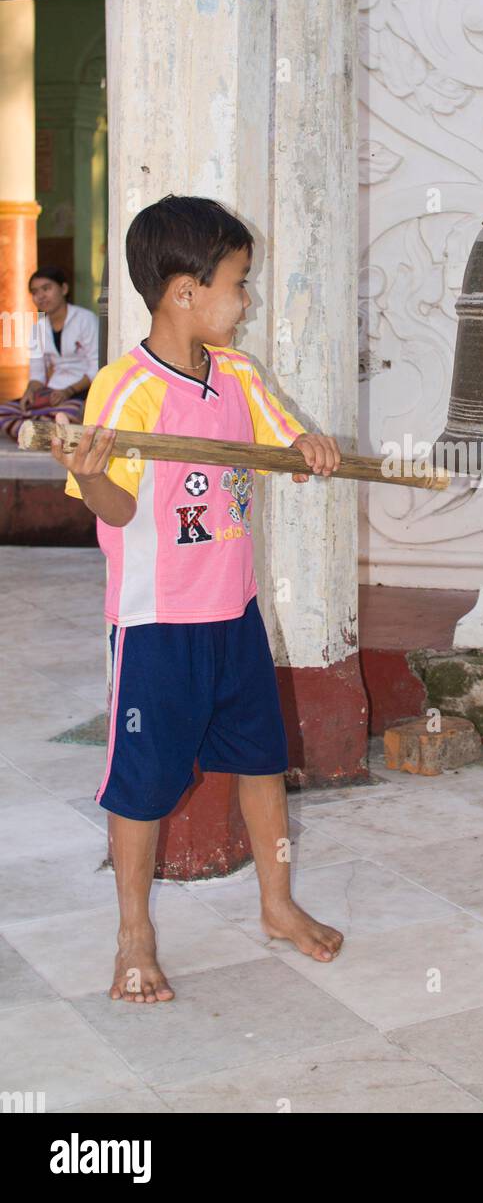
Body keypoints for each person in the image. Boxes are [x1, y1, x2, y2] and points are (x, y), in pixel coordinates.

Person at [53, 194, 344, 1005]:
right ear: (186, 291)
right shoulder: (125, 390)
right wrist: (86, 469)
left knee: (258, 764)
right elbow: (111, 511)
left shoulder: (241, 375)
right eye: (237, 283)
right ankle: (134, 935)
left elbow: (286, 440)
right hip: (156, 625)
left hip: (233, 611)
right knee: (143, 783)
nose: (244, 301)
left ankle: (277, 904)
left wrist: (307, 448)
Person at [0, 266, 99, 442]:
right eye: (35, 292)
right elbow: (37, 372)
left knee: (69, 413)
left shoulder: (85, 319)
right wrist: (30, 390)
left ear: (64, 289)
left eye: (46, 288)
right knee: (3, 412)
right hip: (51, 394)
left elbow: (96, 366)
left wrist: (68, 392)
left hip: (82, 391)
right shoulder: (37, 328)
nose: (41, 296)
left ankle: (39, 430)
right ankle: (47, 430)